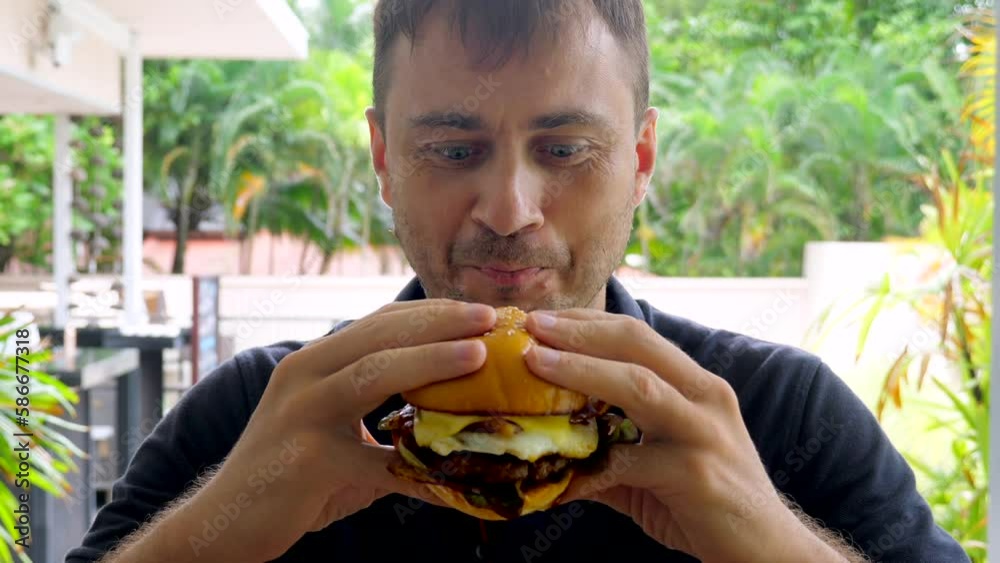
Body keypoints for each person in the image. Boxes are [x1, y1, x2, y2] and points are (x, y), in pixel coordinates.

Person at [67, 1, 968, 562]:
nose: (508, 207)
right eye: (453, 149)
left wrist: (766, 537)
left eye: (566, 149)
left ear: (641, 156)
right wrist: (213, 535)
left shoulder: (779, 420)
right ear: (384, 158)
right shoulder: (258, 419)